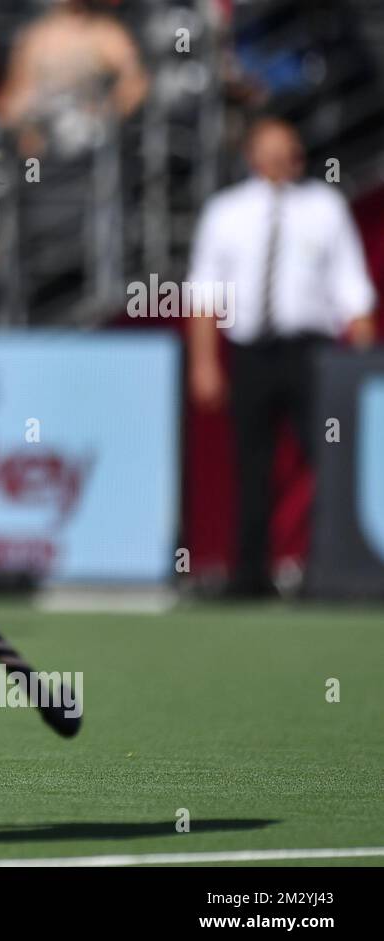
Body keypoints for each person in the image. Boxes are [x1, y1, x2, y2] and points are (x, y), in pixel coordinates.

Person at [187, 116, 377, 597]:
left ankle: (329, 570)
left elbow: (351, 287)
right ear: (251, 155)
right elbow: (204, 294)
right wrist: (205, 363)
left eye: (287, 149)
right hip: (250, 350)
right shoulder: (225, 212)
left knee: (329, 458)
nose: (279, 159)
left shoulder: (325, 207)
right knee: (252, 464)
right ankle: (250, 575)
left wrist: (360, 355)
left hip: (311, 355)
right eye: (269, 149)